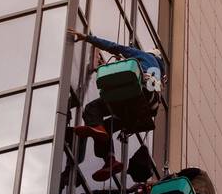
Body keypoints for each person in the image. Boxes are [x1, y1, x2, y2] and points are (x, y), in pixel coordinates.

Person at [68, 28, 165, 183]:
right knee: (103, 129)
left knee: (92, 109)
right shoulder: (158, 74)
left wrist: (87, 38)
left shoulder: (144, 56)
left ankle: (97, 129)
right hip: (138, 113)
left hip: (132, 97)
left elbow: (116, 48)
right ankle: (110, 160)